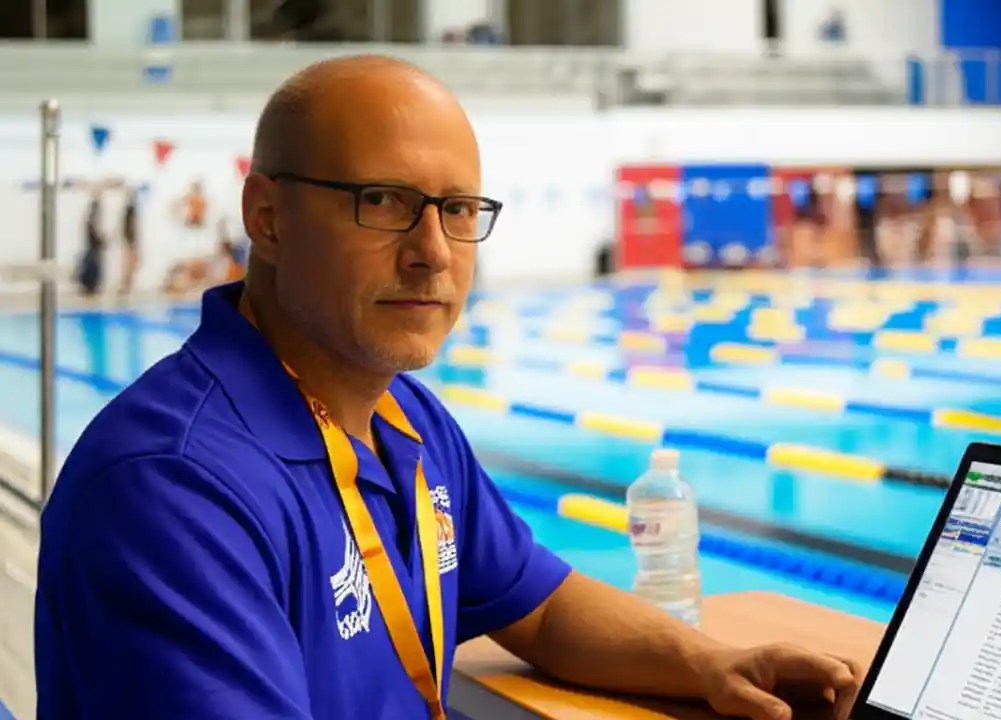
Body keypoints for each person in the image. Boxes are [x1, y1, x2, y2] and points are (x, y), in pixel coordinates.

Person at [34, 54, 862, 720]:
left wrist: (715, 666)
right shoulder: (172, 489)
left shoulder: (407, 420)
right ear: (268, 217)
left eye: (459, 209)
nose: (434, 251)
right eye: (385, 201)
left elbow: (538, 608)